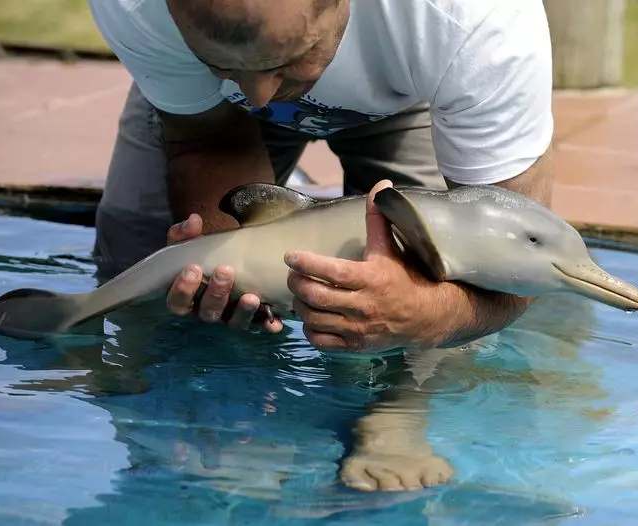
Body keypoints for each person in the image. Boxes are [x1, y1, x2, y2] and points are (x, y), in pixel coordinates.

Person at [86, 0, 555, 493]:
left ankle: (396, 415)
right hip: (211, 112)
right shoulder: (136, 6)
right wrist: (232, 264)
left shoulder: (474, 20)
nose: (260, 94)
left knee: (441, 274)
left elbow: (512, 264)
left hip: (409, 87)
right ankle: (164, 418)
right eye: (225, 63)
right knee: (138, 267)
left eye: (290, 59)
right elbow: (207, 139)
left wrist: (423, 310)